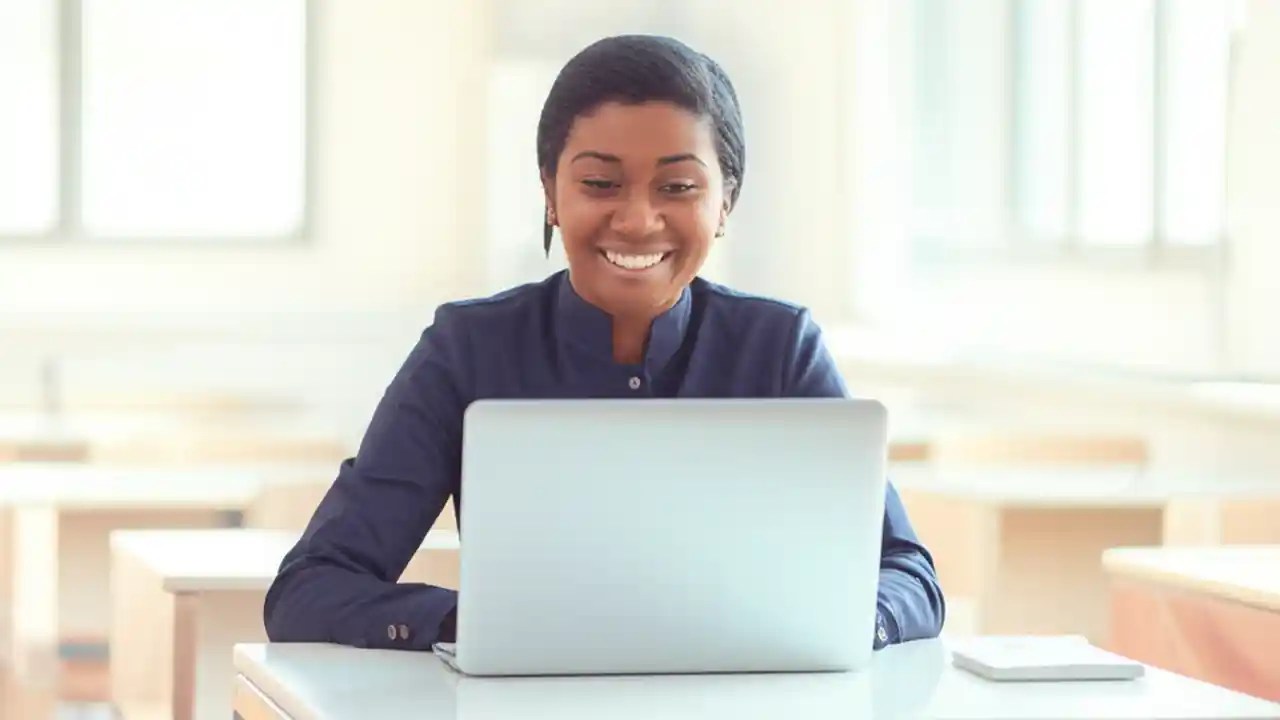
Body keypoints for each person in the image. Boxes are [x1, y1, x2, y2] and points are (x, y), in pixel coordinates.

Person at [264, 34, 944, 651]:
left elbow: (908, 576)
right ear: (550, 193)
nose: (638, 220)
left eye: (678, 186)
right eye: (599, 183)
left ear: (725, 203)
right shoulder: (467, 349)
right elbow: (309, 590)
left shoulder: (780, 348)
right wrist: (478, 625)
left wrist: (842, 621)